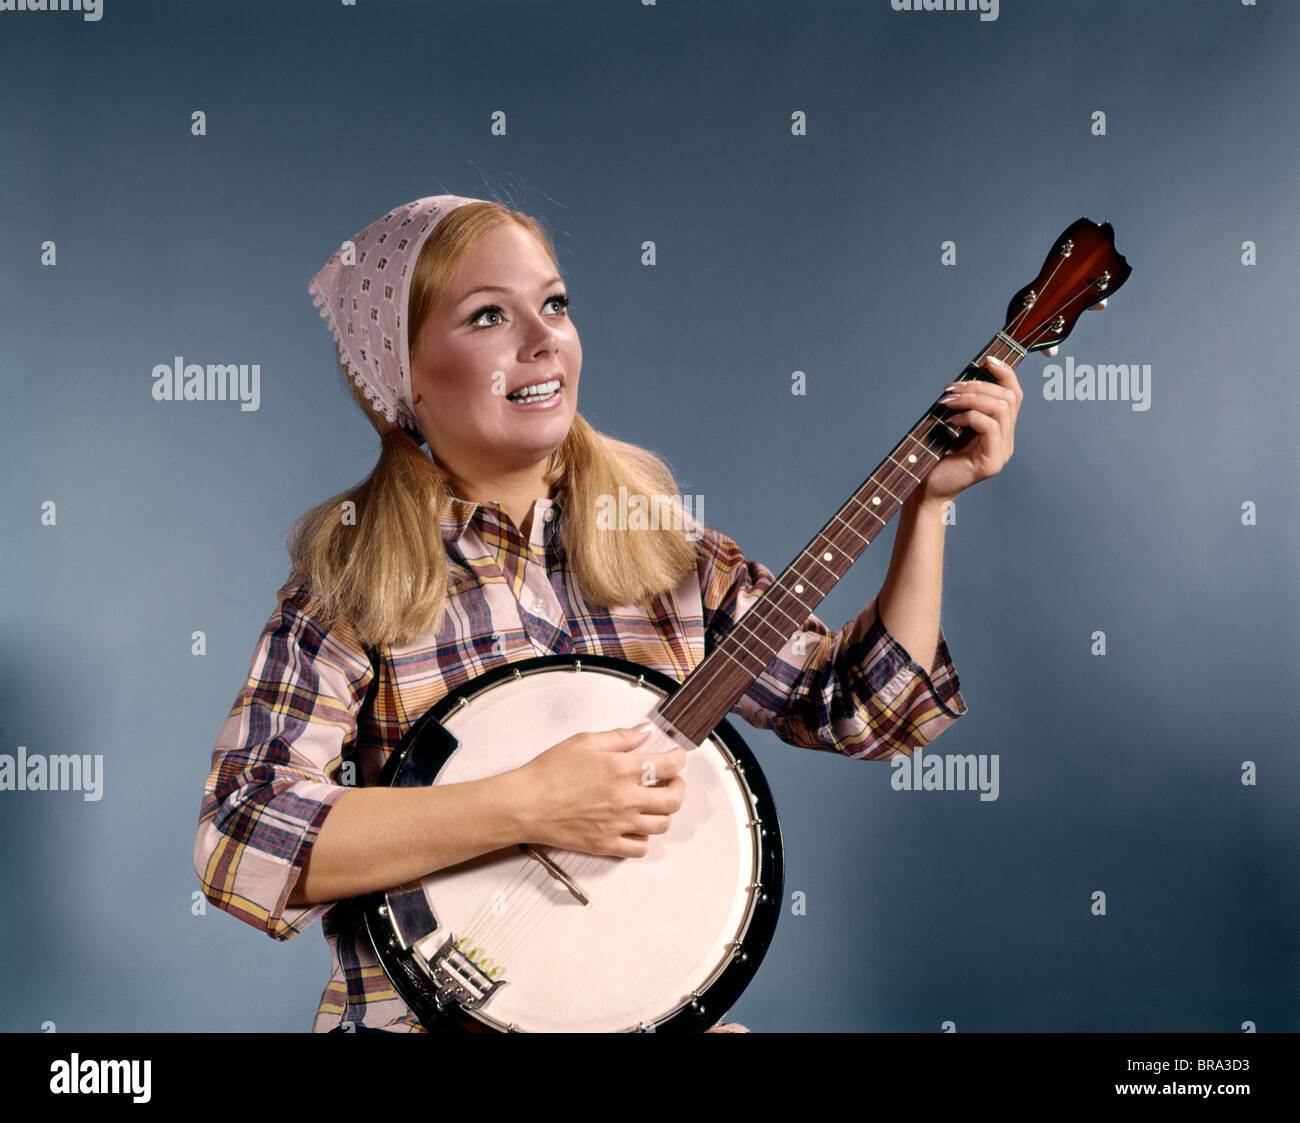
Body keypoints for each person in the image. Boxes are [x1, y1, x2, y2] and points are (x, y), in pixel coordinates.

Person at [193, 193, 1019, 1033]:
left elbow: (862, 709)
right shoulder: (351, 583)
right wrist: (525, 802)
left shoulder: (663, 551)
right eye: (487, 316)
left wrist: (929, 508)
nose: (542, 337)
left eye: (554, 304)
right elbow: (239, 837)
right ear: (401, 376)